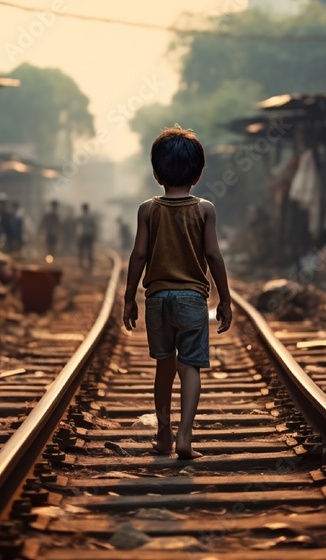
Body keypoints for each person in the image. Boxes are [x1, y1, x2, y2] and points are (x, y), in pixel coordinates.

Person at [123, 126, 232, 460]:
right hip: (191, 300)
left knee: (163, 367)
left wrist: (129, 297)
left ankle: (163, 433)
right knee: (190, 368)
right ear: (198, 174)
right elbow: (213, 255)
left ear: (156, 173)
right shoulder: (205, 210)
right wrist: (225, 299)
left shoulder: (147, 209)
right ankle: (185, 437)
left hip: (156, 300)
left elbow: (139, 254)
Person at [77, 203, 97, 272]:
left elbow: (77, 224)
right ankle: (90, 264)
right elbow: (94, 226)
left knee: (81, 249)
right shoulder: (91, 216)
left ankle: (81, 263)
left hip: (83, 234)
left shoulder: (81, 216)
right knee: (89, 250)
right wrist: (94, 235)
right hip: (89, 235)